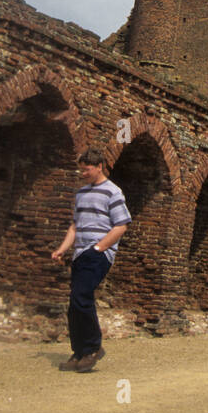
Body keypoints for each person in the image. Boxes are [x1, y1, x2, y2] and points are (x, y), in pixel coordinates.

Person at [52, 149, 132, 372]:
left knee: (81, 296)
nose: (83, 173)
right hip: (80, 254)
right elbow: (75, 226)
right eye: (82, 169)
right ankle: (79, 352)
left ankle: (93, 348)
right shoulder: (81, 194)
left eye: (87, 169)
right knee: (74, 304)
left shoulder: (113, 192)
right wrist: (61, 249)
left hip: (98, 254)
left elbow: (121, 225)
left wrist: (99, 248)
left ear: (99, 167)